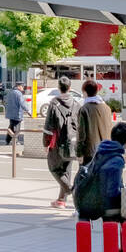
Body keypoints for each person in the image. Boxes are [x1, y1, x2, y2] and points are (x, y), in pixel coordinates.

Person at [74, 122, 126, 221]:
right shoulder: (117, 160)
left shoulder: (102, 150)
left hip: (87, 200)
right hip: (100, 205)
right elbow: (111, 192)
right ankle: (117, 235)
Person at [42, 75, 79, 208]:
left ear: (59, 88)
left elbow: (48, 127)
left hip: (57, 143)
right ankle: (61, 200)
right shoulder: (76, 104)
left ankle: (71, 190)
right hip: (72, 142)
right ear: (69, 88)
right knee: (66, 170)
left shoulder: (54, 103)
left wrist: (46, 143)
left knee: (54, 168)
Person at [76, 78, 113, 164]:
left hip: (90, 153)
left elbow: (81, 134)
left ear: (85, 92)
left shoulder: (84, 109)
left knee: (87, 176)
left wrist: (79, 153)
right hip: (106, 151)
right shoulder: (107, 108)